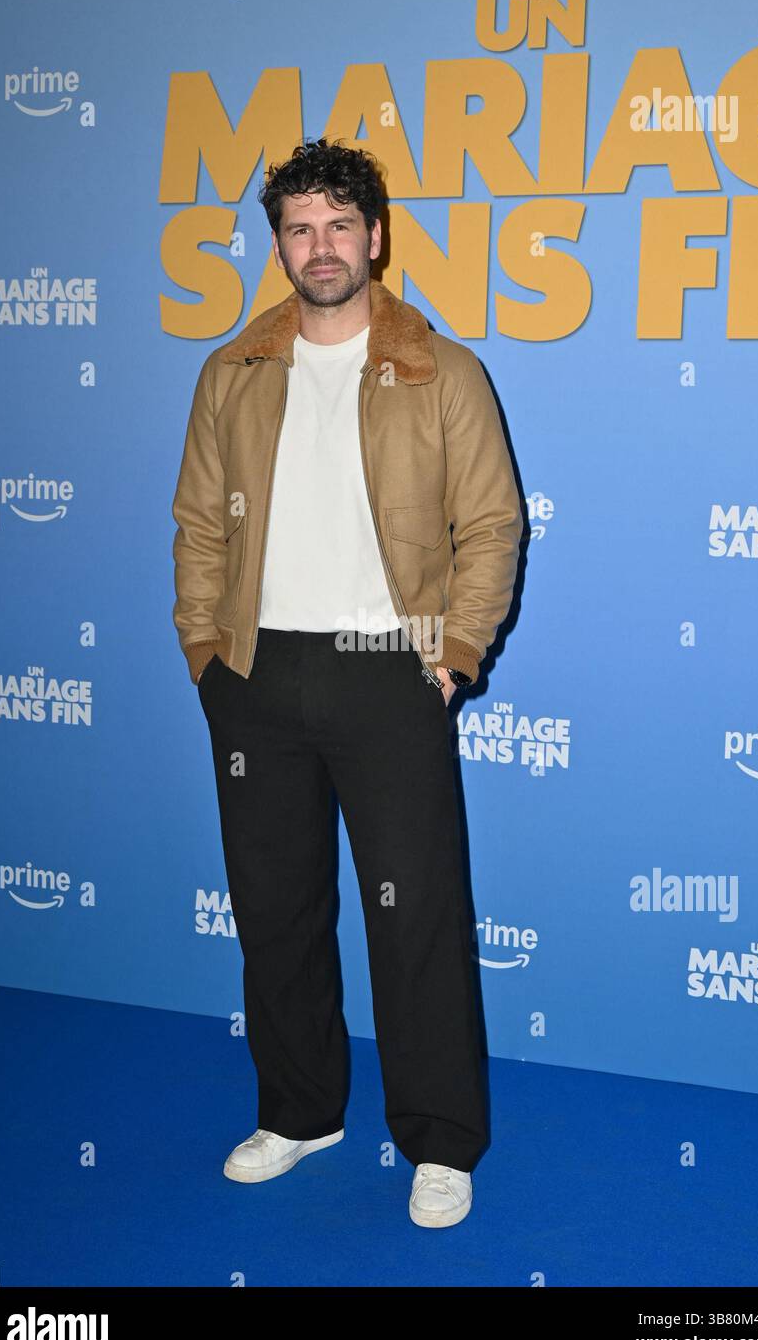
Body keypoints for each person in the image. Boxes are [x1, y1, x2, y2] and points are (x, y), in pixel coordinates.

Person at [171, 137, 522, 1228]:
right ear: (279, 245)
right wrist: (206, 651)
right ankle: (300, 1110)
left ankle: (439, 1139)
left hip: (388, 671)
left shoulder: (441, 367)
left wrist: (450, 656)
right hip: (258, 670)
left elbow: (492, 525)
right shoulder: (232, 371)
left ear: (375, 237)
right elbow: (196, 523)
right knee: (275, 912)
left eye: (338, 225)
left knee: (412, 915)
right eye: (298, 228)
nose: (319, 247)